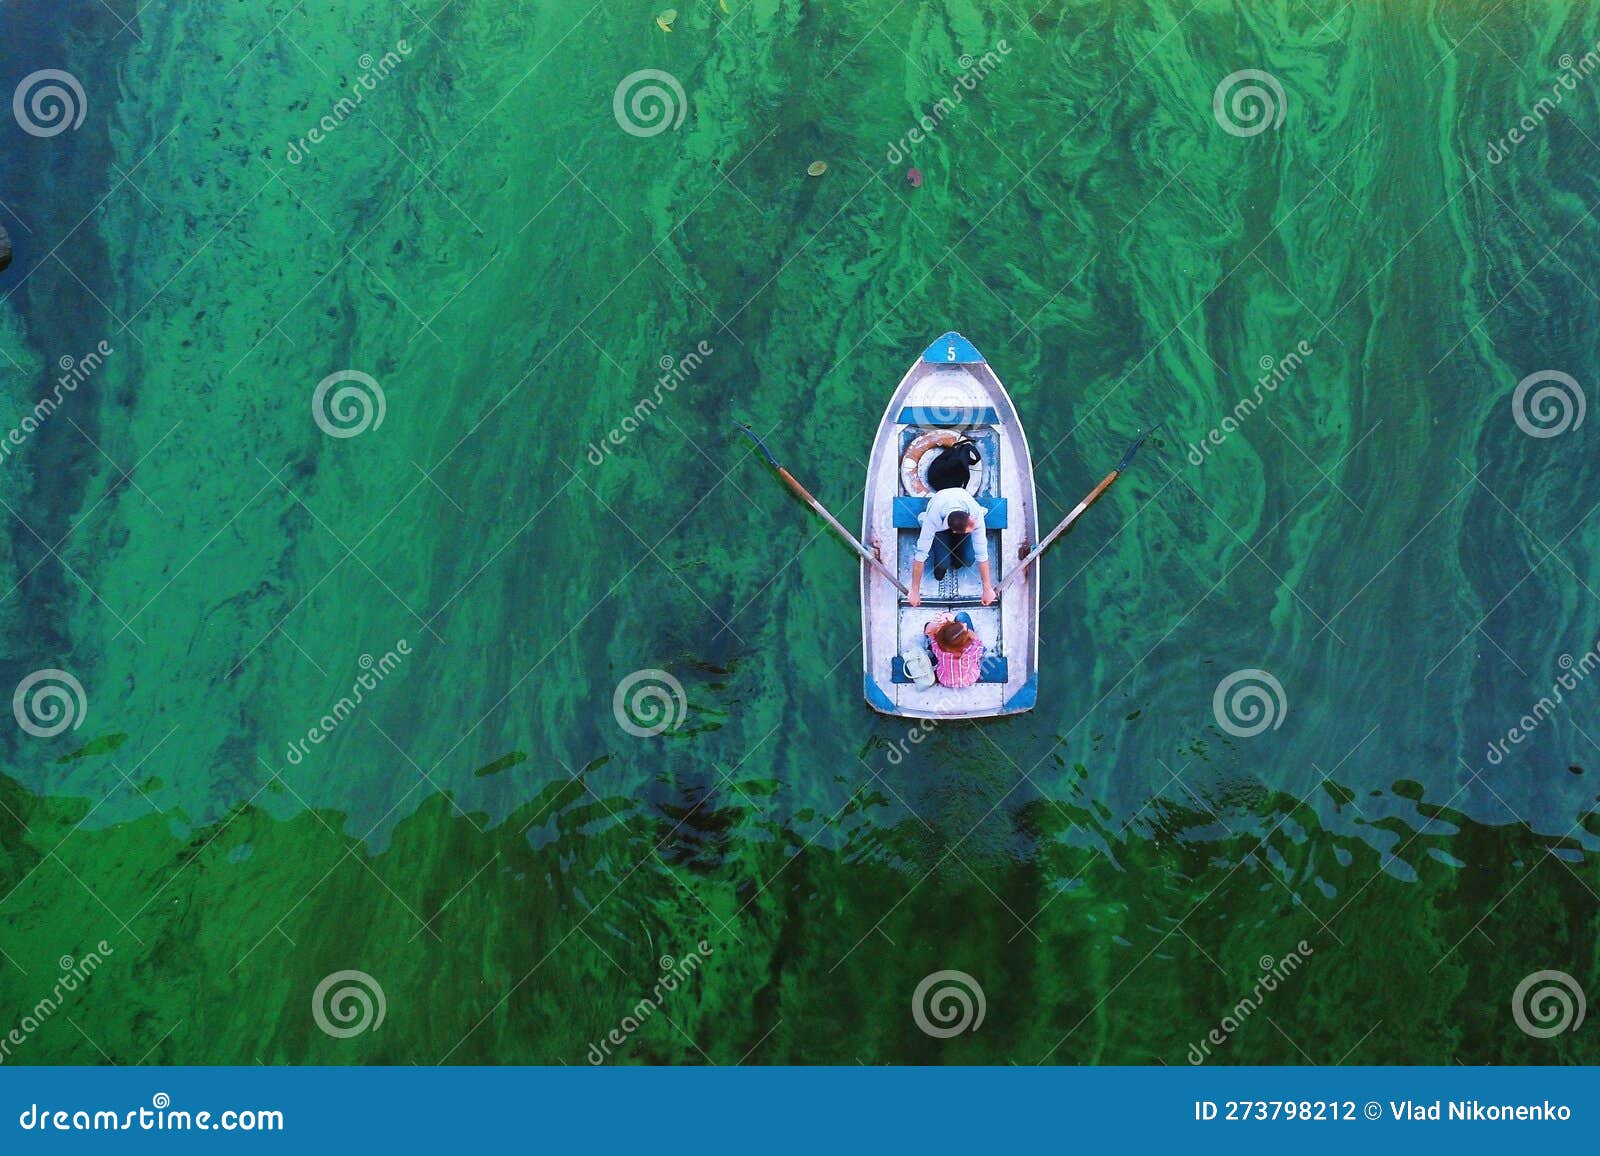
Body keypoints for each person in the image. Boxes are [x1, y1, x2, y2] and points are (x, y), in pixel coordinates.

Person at [907, 488, 993, 606]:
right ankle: (940, 572)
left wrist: (987, 589)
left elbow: (982, 553)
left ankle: (958, 562)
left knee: (968, 559)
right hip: (939, 526)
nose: (975, 529)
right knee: (943, 563)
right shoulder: (932, 519)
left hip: (959, 510)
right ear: (954, 531)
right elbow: (920, 555)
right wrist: (914, 590)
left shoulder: (975, 516)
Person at [923, 611, 986, 688]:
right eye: (965, 628)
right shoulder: (973, 650)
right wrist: (964, 629)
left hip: (945, 680)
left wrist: (945, 625)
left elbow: (932, 632)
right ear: (966, 641)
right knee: (962, 616)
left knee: (929, 632)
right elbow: (977, 641)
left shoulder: (937, 647)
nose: (965, 624)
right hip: (969, 679)